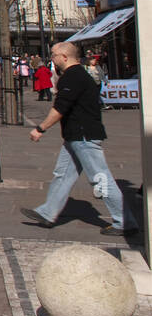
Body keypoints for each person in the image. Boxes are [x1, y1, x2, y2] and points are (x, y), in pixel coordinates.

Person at [21, 42, 138, 237]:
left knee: (100, 178)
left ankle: (124, 221)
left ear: (65, 57)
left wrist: (40, 128)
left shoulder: (72, 77)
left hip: (84, 136)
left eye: (54, 55)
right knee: (62, 175)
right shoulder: (78, 75)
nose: (52, 58)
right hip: (75, 137)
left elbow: (60, 108)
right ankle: (48, 213)